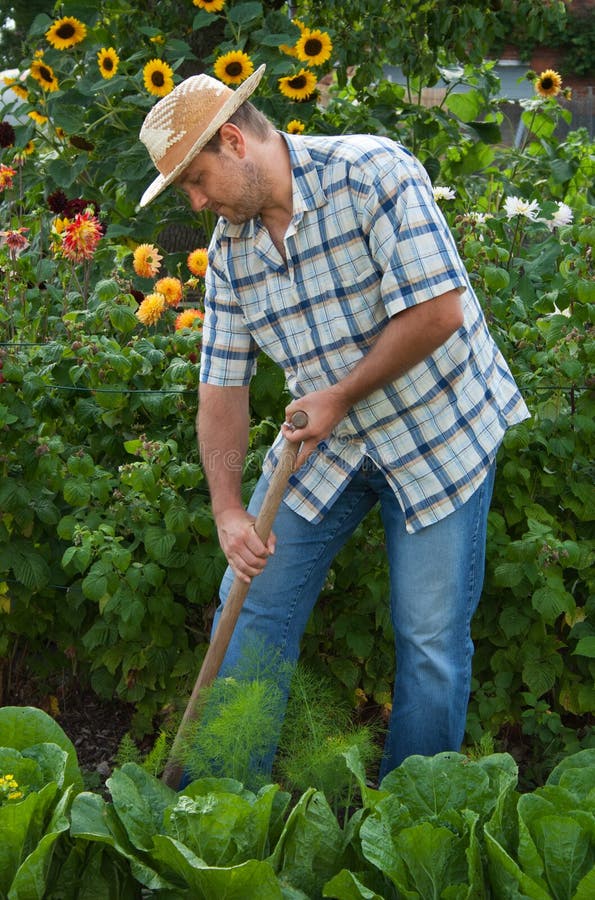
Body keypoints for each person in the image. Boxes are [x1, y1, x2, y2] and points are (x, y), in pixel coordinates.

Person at [139, 65, 530, 782]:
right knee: (249, 604)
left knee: (428, 638)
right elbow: (222, 388)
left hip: (437, 434)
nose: (195, 202)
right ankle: (219, 818)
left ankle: (414, 822)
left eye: (195, 180)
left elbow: (439, 312)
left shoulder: (371, 172)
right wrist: (228, 512)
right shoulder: (231, 254)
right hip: (329, 445)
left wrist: (342, 393)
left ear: (233, 141)